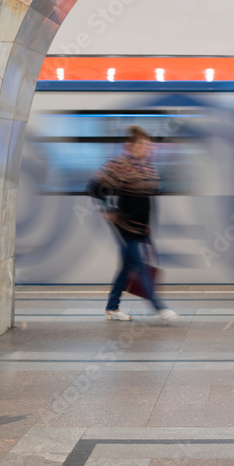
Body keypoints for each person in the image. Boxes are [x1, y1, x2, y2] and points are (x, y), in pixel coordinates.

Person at [89, 126, 178, 323]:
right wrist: (107, 208)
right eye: (142, 144)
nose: (146, 147)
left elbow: (147, 199)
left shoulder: (149, 167)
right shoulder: (120, 165)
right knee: (137, 264)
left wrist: (147, 226)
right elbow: (95, 187)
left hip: (141, 227)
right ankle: (159, 307)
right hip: (124, 225)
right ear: (130, 145)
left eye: (148, 144)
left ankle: (112, 307)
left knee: (127, 266)